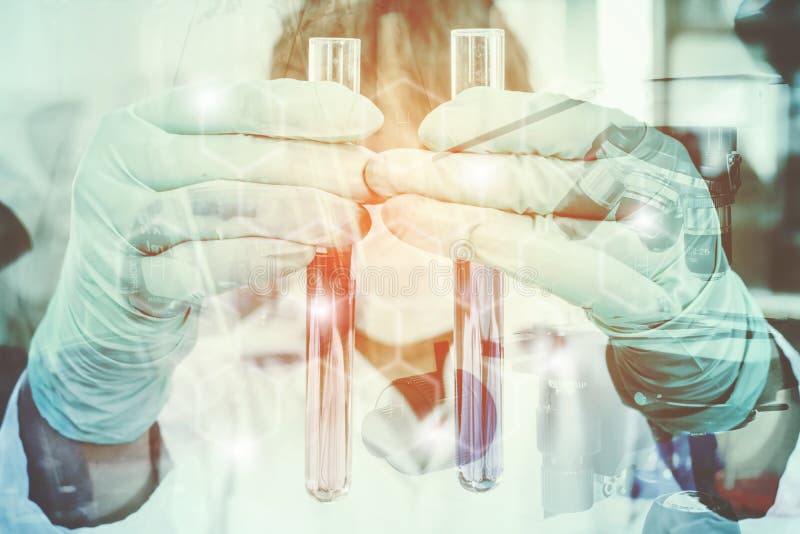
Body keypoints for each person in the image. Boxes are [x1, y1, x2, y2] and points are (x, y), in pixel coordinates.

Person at [1, 1, 798, 532]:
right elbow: (76, 508)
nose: (395, 189)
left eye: (440, 152)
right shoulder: (220, 383)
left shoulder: (604, 380)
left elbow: (755, 498)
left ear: (529, 160)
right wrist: (85, 399)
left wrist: (745, 383)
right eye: (360, 150)